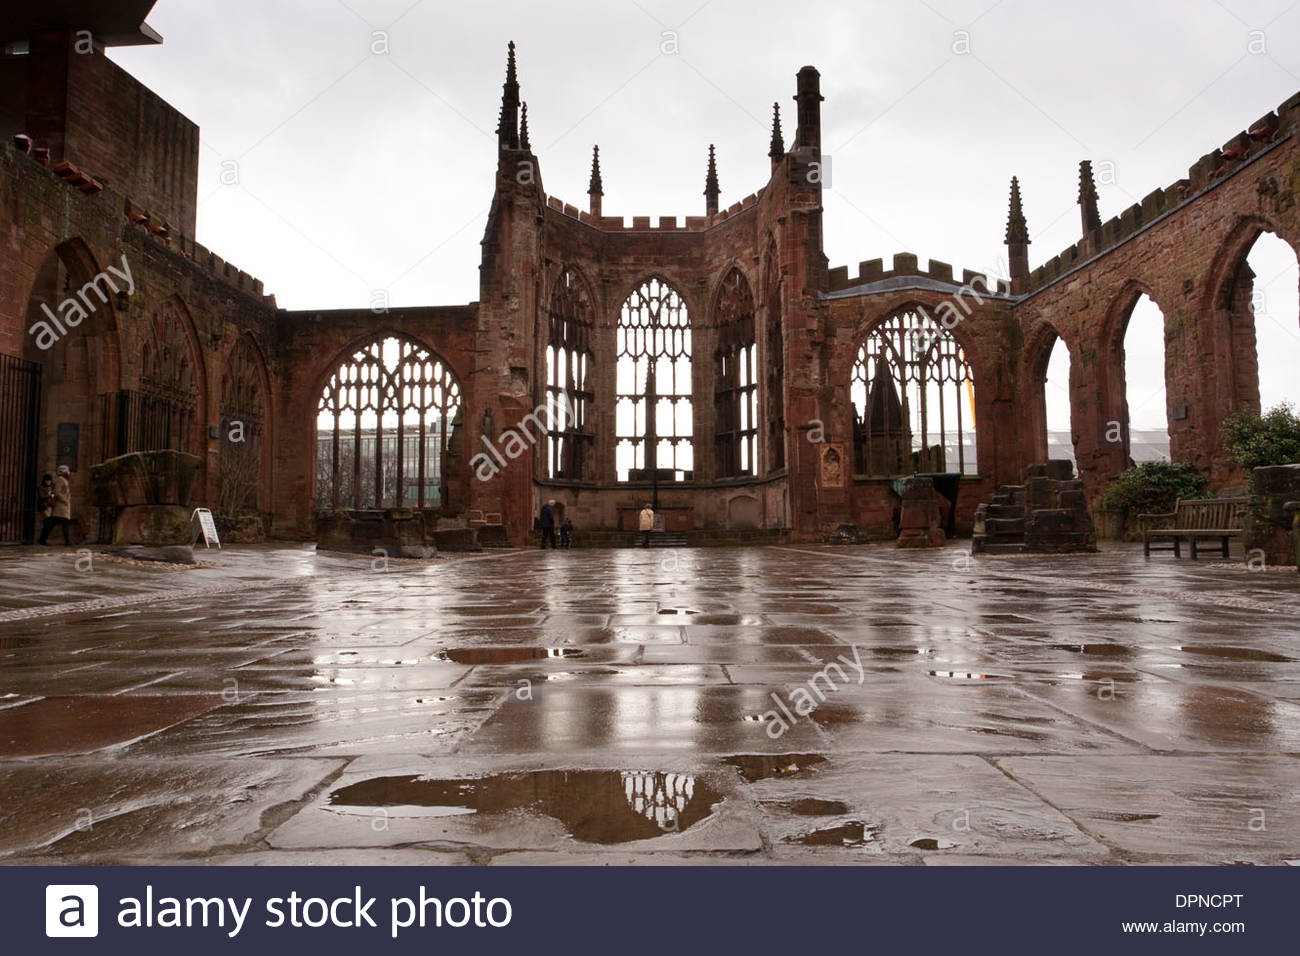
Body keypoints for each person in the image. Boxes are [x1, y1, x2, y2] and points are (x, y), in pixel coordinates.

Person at [39, 465, 73, 546]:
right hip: (61, 506)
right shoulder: (61, 480)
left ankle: (42, 538)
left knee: (53, 523)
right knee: (64, 522)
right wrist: (64, 500)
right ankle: (67, 541)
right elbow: (57, 492)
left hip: (63, 506)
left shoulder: (63, 480)